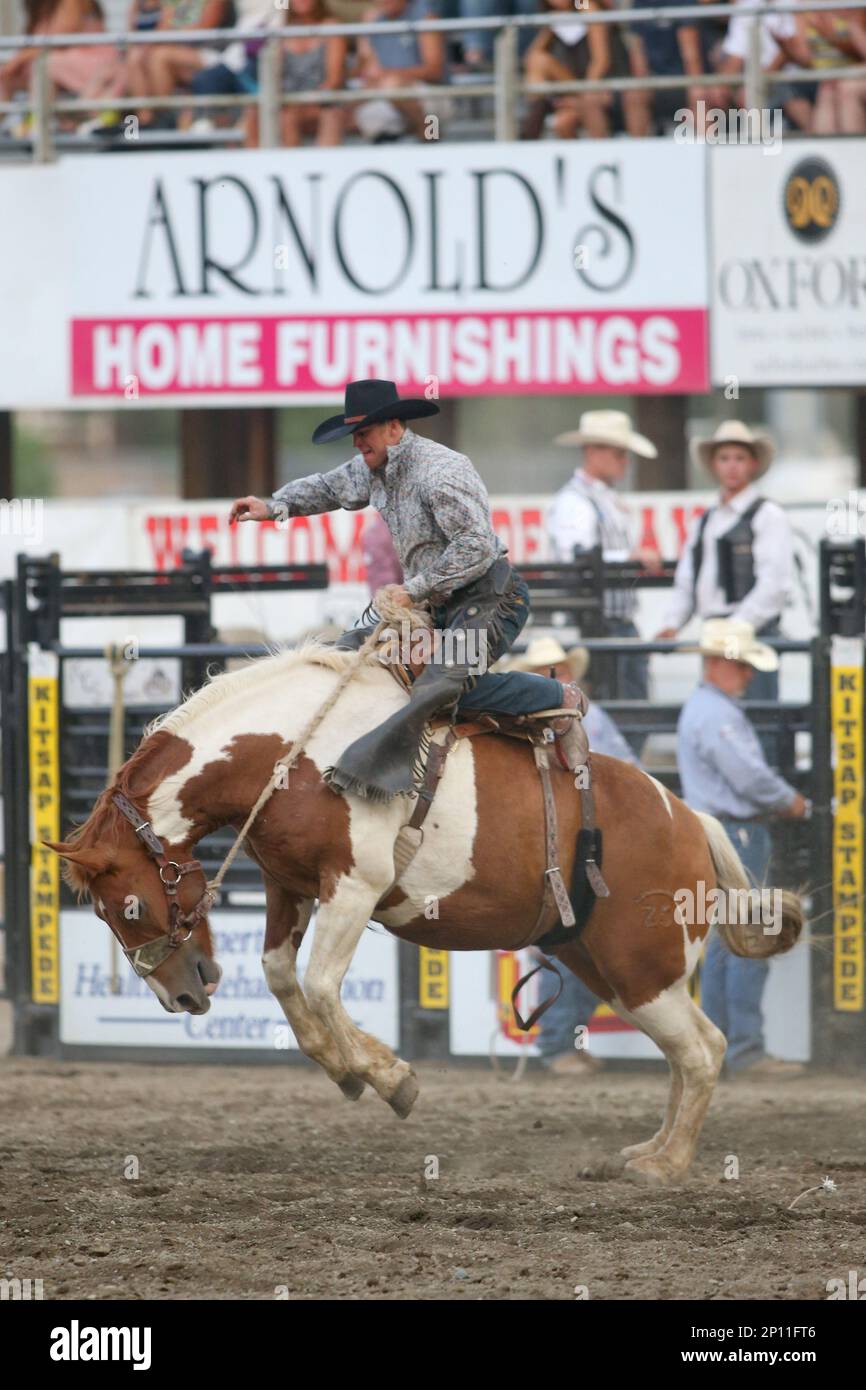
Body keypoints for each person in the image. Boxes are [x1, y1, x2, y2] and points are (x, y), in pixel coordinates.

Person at [229, 378, 589, 801]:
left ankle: (555, 695)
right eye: (354, 434)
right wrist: (275, 505)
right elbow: (329, 487)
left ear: (394, 428)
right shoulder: (374, 468)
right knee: (344, 654)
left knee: (439, 685)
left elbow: (475, 547)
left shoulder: (441, 472)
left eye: (363, 432)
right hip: (436, 602)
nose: (357, 443)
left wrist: (415, 589)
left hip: (490, 598)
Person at [677, 617, 809, 1079]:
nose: (748, 674)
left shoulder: (707, 709)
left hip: (722, 832)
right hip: (739, 835)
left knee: (724, 942)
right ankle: (746, 1049)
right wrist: (791, 801)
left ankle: (724, 1045)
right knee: (751, 936)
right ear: (718, 663)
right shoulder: (717, 715)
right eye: (741, 664)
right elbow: (749, 777)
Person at [507, 634, 637, 1074]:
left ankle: (566, 1040)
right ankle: (558, 1042)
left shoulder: (583, 716)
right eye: (544, 672)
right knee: (561, 938)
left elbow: (625, 766)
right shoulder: (520, 722)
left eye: (557, 670)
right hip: (556, 837)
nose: (552, 677)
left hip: (582, 836)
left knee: (580, 939)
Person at [657, 420, 794, 707]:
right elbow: (688, 580)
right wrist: (672, 623)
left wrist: (735, 628)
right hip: (716, 634)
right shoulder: (706, 520)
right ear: (714, 465)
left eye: (739, 458)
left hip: (753, 633)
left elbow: (775, 585)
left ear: (752, 464)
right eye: (724, 458)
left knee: (756, 715)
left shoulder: (768, 515)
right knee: (718, 711)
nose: (732, 466)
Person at [547, 409, 661, 710]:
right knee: (619, 704)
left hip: (612, 621)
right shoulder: (575, 501)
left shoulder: (599, 498)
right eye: (619, 453)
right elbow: (574, 558)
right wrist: (629, 558)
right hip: (597, 623)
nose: (625, 461)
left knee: (630, 703)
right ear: (592, 451)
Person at [521, 0, 636, 140]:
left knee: (569, 118)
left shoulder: (583, 4)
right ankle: (535, 120)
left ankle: (532, 127)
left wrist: (586, 94)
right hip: (576, 86)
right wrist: (550, 26)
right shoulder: (553, 17)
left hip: (600, 85)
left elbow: (601, 61)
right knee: (537, 60)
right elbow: (530, 57)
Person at [353, 0, 446, 142]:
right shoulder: (375, 22)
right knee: (368, 112)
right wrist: (365, 31)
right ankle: (389, 150)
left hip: (430, 92)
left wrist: (393, 77)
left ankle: (429, 135)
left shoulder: (425, 17)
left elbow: (435, 71)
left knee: (393, 86)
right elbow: (368, 71)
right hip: (388, 94)